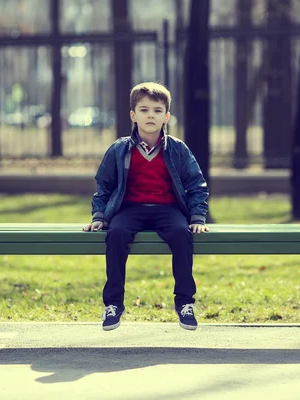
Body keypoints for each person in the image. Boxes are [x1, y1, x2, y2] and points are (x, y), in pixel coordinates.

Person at [83, 82, 209, 331]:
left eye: (157, 110)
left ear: (167, 116)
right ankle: (113, 305)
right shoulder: (120, 149)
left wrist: (197, 217)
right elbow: (104, 185)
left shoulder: (177, 149)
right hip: (130, 209)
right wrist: (100, 215)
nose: (150, 115)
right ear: (133, 115)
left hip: (168, 209)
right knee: (116, 235)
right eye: (143, 110)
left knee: (182, 235)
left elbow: (196, 184)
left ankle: (185, 303)